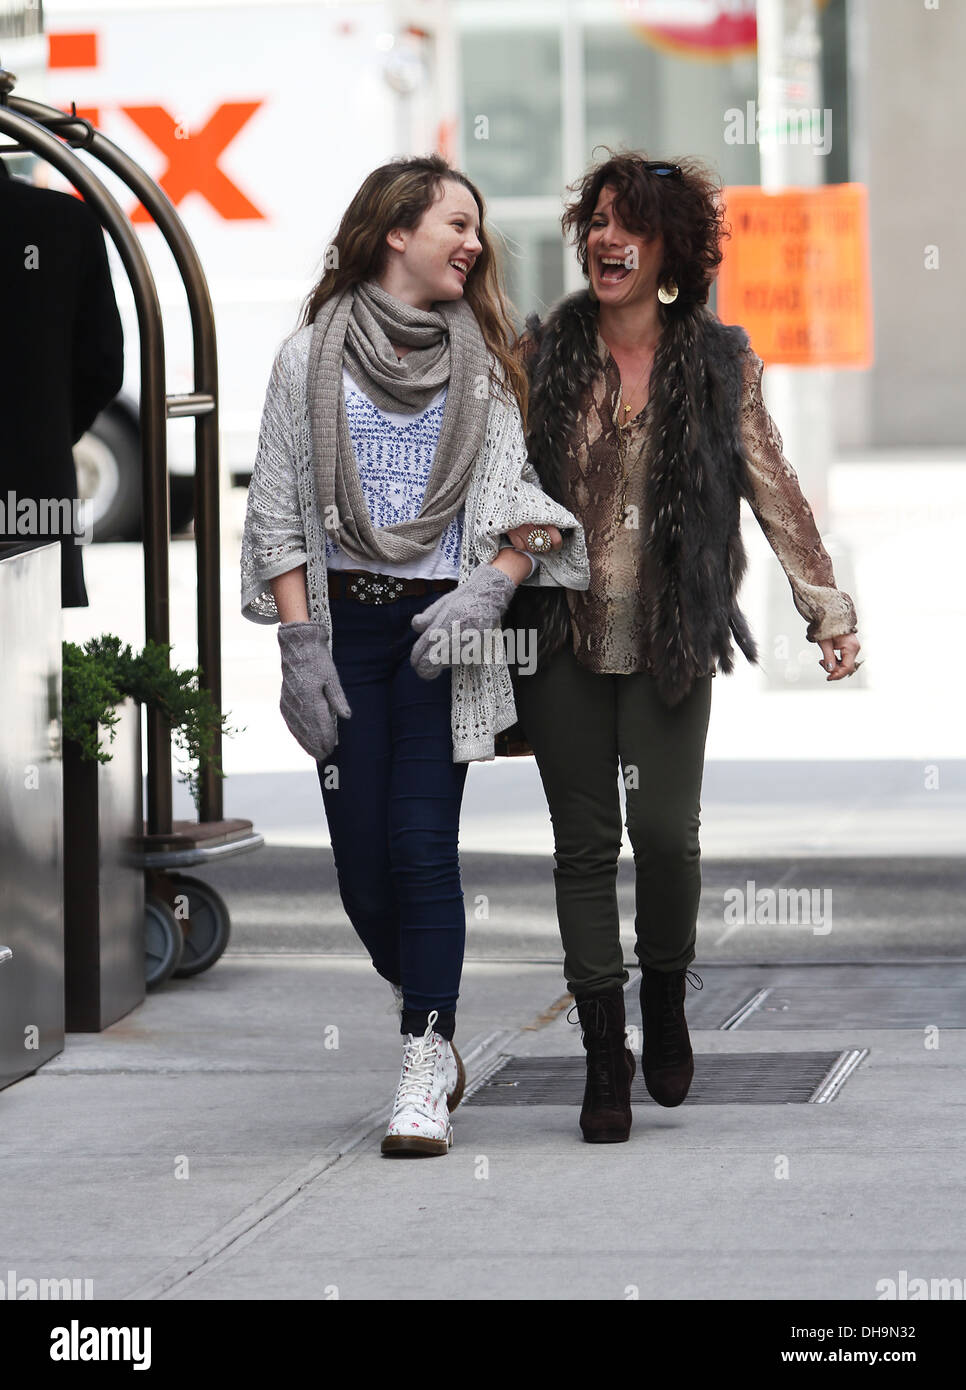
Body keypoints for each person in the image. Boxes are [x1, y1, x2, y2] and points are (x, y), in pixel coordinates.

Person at [504, 151, 861, 1144]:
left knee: (664, 835)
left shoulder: (717, 359)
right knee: (584, 849)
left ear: (670, 249)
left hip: (670, 632)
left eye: (632, 227)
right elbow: (494, 483)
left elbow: (772, 484)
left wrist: (824, 604)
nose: (608, 240)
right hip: (560, 634)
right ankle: (603, 1055)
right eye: (599, 224)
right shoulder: (544, 353)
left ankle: (664, 994)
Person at [240, 154, 589, 1158]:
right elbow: (275, 516)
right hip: (344, 631)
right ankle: (425, 999)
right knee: (361, 873)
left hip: (443, 635)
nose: (472, 241)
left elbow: (525, 506)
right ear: (396, 230)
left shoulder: (482, 362)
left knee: (421, 846)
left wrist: (492, 585)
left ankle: (424, 1056)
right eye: (454, 222)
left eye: (475, 227)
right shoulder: (308, 357)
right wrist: (302, 643)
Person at [0, 156, 124, 605]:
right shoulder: (66, 220)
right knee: (28, 663)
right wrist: (47, 433)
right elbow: (104, 363)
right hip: (31, 495)